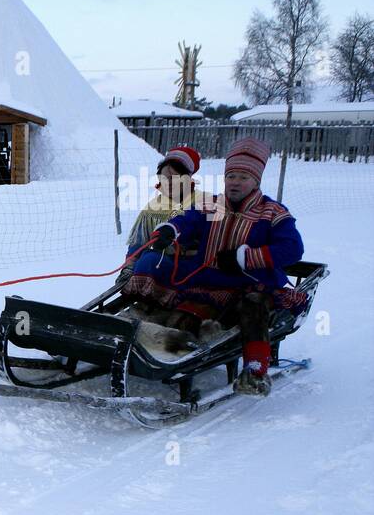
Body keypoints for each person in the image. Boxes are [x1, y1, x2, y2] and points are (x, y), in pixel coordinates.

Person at [123, 136, 307, 397]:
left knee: (253, 305)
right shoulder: (213, 207)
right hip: (207, 281)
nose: (235, 182)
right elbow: (189, 220)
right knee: (168, 287)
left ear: (256, 180)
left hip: (251, 284)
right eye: (231, 175)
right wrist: (170, 230)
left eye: (243, 177)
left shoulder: (272, 212)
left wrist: (246, 258)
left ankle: (255, 370)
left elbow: (292, 249)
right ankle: (159, 341)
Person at [125, 145, 211, 258]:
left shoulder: (204, 202)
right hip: (160, 266)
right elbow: (137, 245)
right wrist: (129, 268)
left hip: (195, 267)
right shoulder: (152, 208)